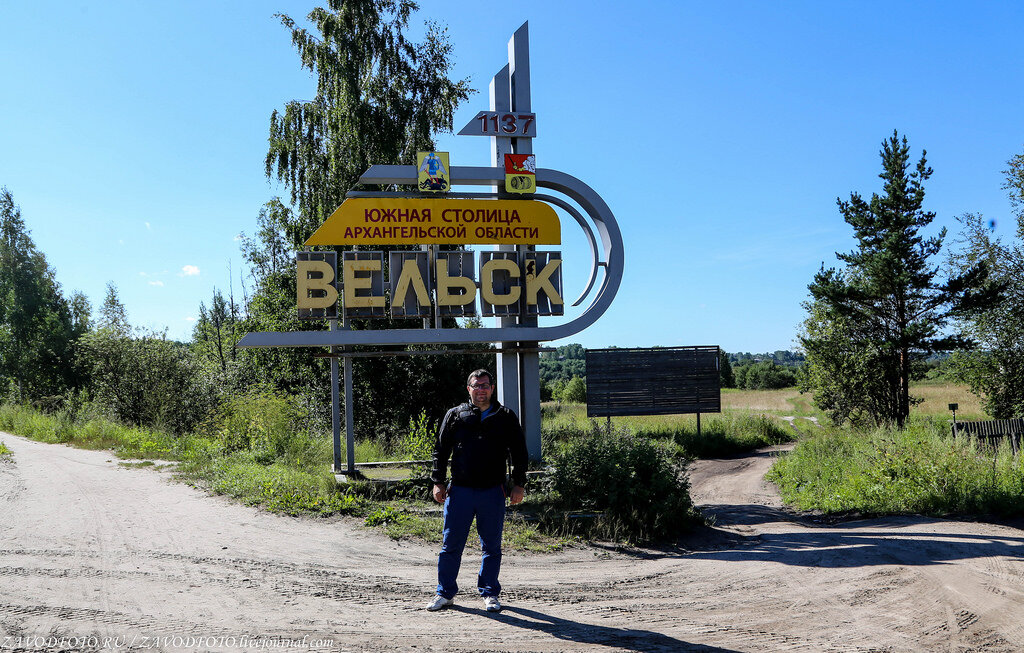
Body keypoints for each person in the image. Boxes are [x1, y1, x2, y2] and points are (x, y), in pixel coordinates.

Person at [425, 369, 528, 613]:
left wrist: (519, 484)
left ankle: (490, 593)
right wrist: (437, 481)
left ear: (492, 388)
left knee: (491, 547)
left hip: (492, 491)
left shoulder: (505, 417)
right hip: (459, 491)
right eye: (476, 385)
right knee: (450, 546)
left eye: (485, 385)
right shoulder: (455, 416)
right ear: (468, 389)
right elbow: (440, 451)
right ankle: (445, 593)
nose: (480, 390)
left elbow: (519, 453)